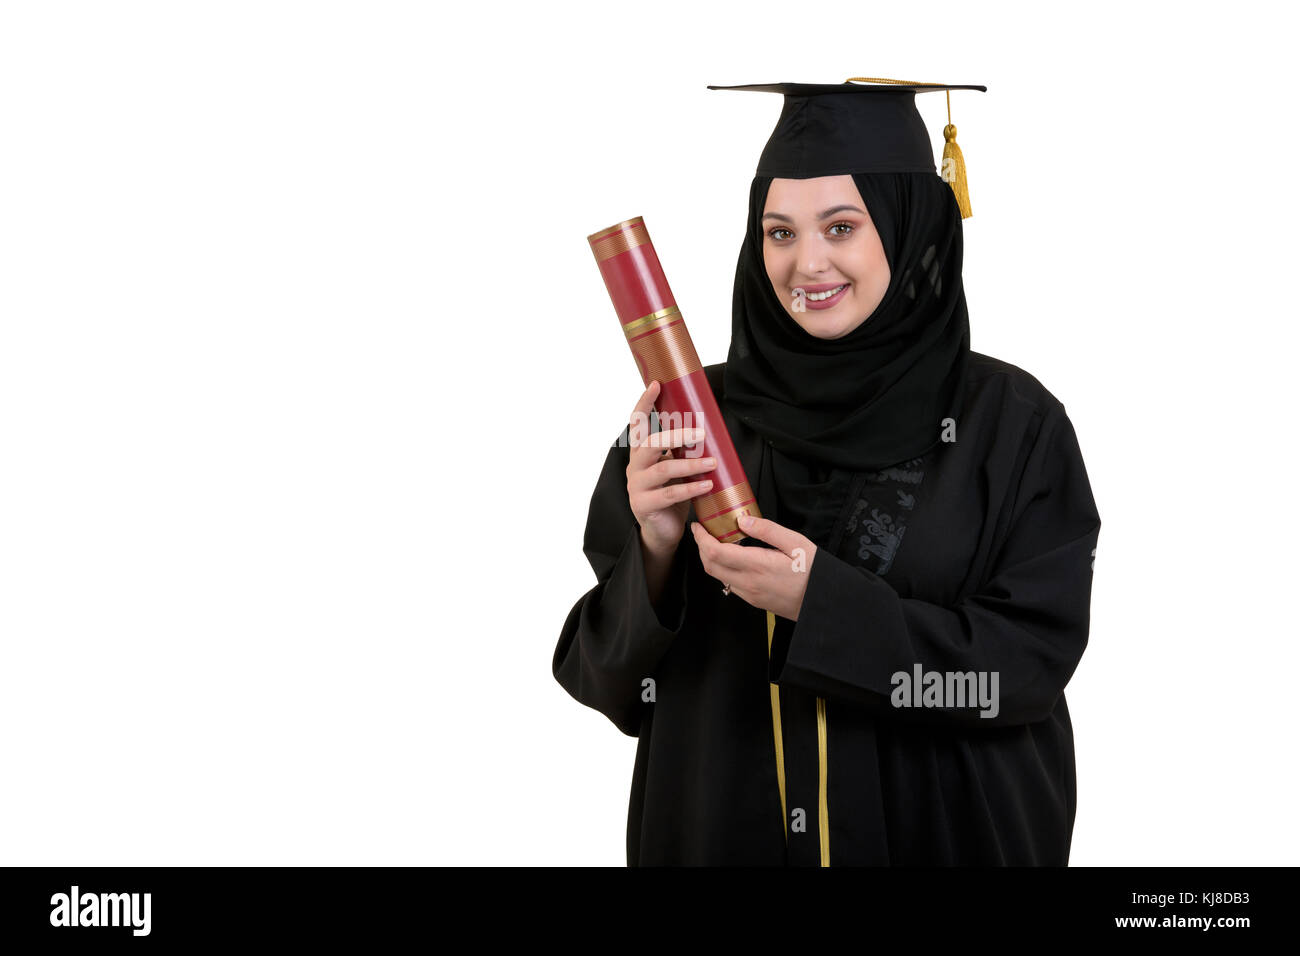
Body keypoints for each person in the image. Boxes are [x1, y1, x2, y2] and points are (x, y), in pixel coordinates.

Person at [553, 79, 1102, 866]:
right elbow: (607, 682)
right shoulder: (690, 423)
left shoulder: (1011, 426)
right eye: (779, 232)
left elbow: (1021, 673)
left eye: (841, 226)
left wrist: (824, 606)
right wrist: (657, 550)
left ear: (908, 230)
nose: (806, 262)